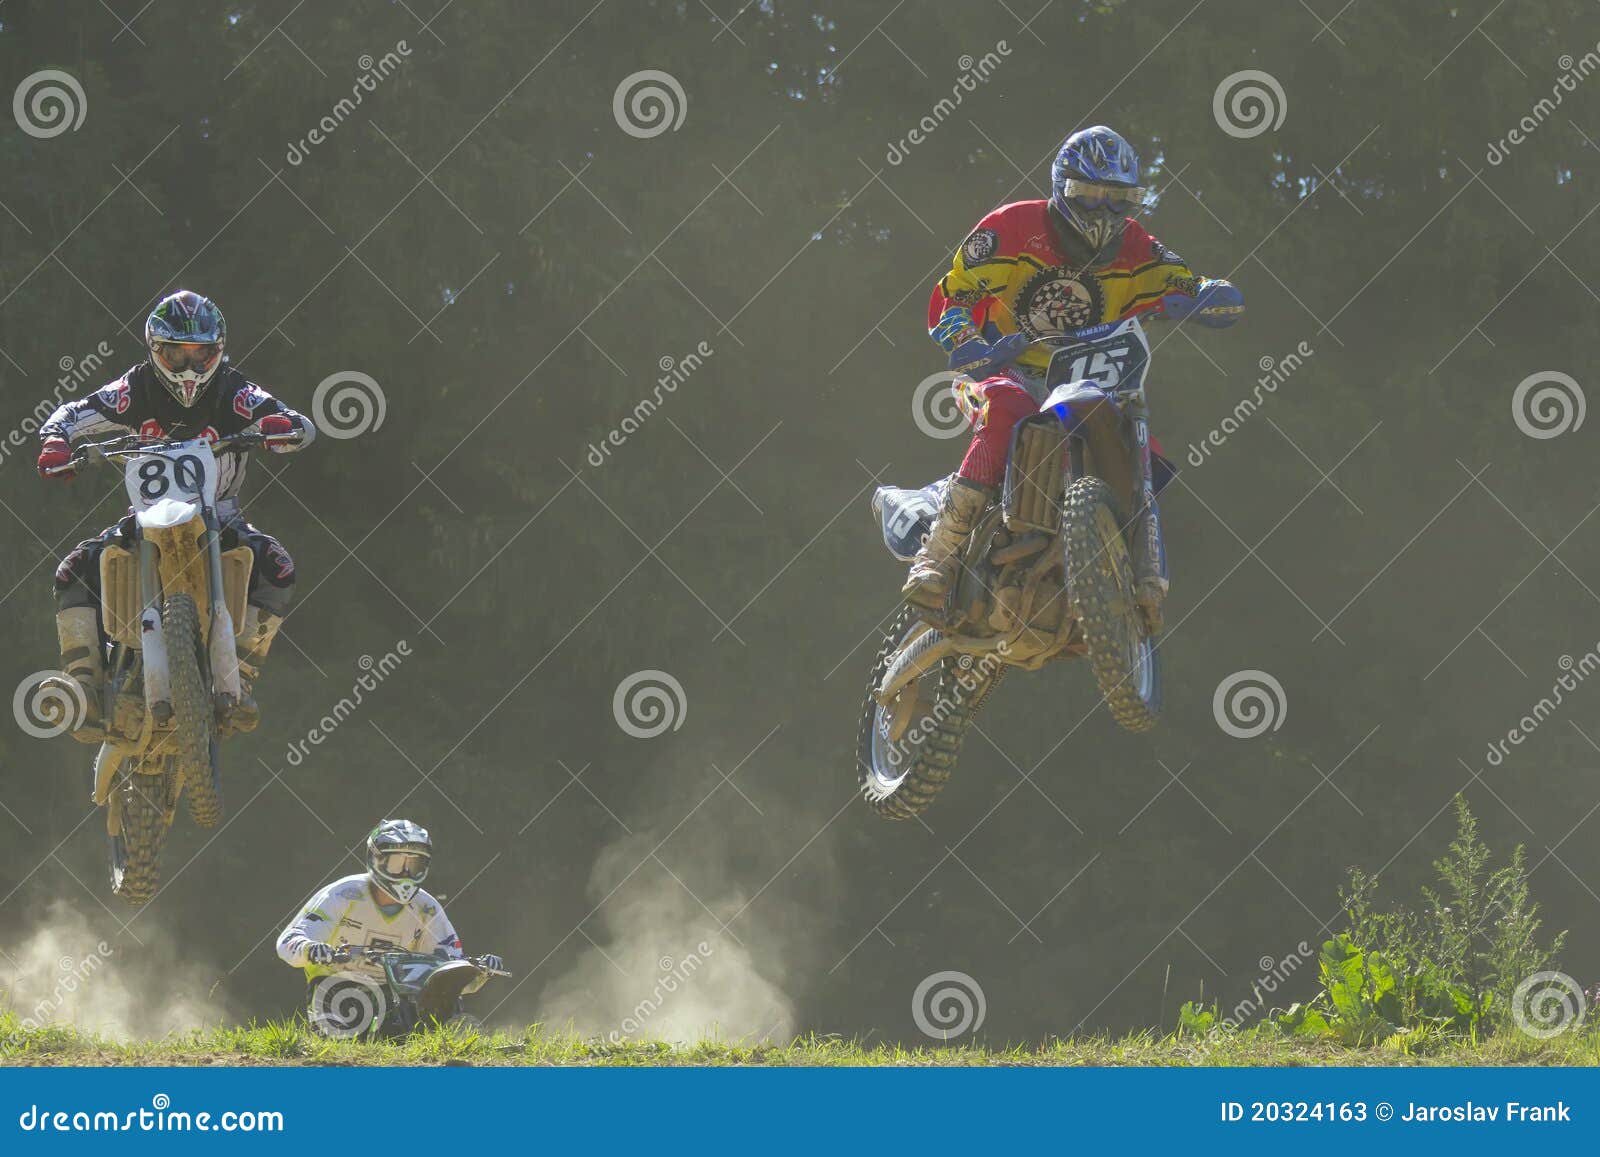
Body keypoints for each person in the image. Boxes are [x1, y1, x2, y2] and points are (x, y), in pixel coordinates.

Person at [906, 125, 1244, 630]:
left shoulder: (1137, 247)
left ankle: (1124, 582)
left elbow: (1185, 281)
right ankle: (937, 554)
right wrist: (967, 342)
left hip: (1093, 381)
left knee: (1145, 456)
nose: (1103, 213)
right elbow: (953, 293)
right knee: (1006, 414)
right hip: (1007, 371)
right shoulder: (1012, 229)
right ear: (1062, 188)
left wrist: (1209, 295)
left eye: (1118, 201)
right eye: (1089, 197)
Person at [37, 290, 314, 737]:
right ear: (154, 350)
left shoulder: (234, 390)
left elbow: (289, 418)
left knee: (278, 568)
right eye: (176, 353)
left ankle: (240, 676)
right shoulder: (135, 389)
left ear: (217, 351)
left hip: (220, 517)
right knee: (73, 569)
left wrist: (284, 427)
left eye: (200, 354)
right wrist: (56, 441)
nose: (188, 366)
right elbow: (73, 412)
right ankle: (84, 686)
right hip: (146, 515)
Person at [276, 818, 502, 988]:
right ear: (376, 860)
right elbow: (287, 941)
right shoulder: (343, 894)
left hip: (397, 997)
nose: (405, 873)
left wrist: (480, 972)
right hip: (334, 989)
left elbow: (451, 972)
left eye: (414, 866)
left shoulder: (426, 908)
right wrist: (309, 948)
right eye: (396, 863)